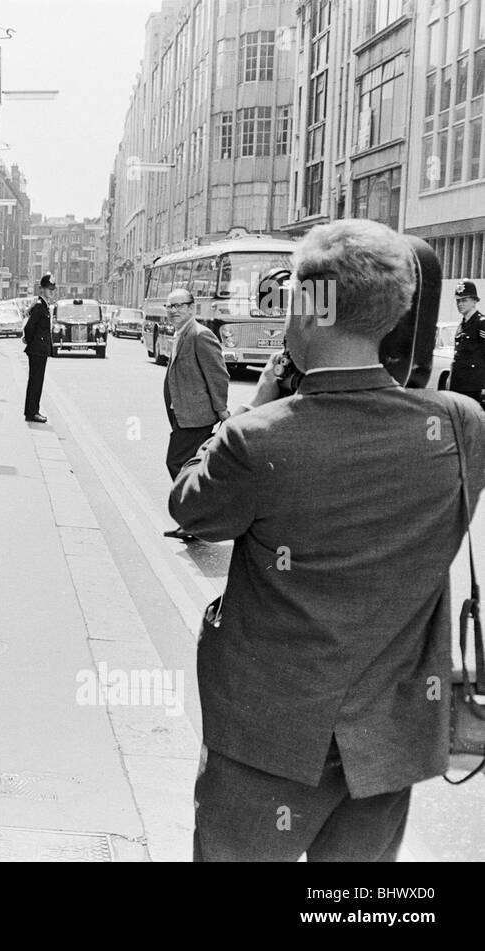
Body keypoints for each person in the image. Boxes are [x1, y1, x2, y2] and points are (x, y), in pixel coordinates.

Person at [170, 218, 485, 861]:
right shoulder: (461, 426)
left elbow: (189, 506)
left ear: (309, 312)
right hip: (388, 741)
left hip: (267, 741)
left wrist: (256, 406)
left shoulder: (255, 440)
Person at [160, 286, 230, 541]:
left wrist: (222, 410)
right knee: (189, 466)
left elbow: (218, 374)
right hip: (183, 415)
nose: (173, 311)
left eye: (179, 306)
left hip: (197, 416)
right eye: (170, 306)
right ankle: (194, 522)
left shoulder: (200, 334)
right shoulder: (182, 332)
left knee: (177, 463)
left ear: (192, 307)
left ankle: (197, 518)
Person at [22, 274, 55, 422]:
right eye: (49, 289)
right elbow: (29, 327)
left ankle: (32, 411)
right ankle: (32, 412)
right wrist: (30, 342)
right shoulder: (40, 306)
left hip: (39, 349)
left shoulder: (43, 305)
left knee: (36, 381)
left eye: (52, 289)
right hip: (37, 350)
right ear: (41, 289)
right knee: (36, 381)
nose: (51, 292)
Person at [449, 280, 485, 406]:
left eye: (464, 300)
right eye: (458, 301)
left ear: (474, 301)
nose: (460, 304)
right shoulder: (461, 326)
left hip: (474, 387)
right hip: (458, 385)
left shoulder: (482, 323)